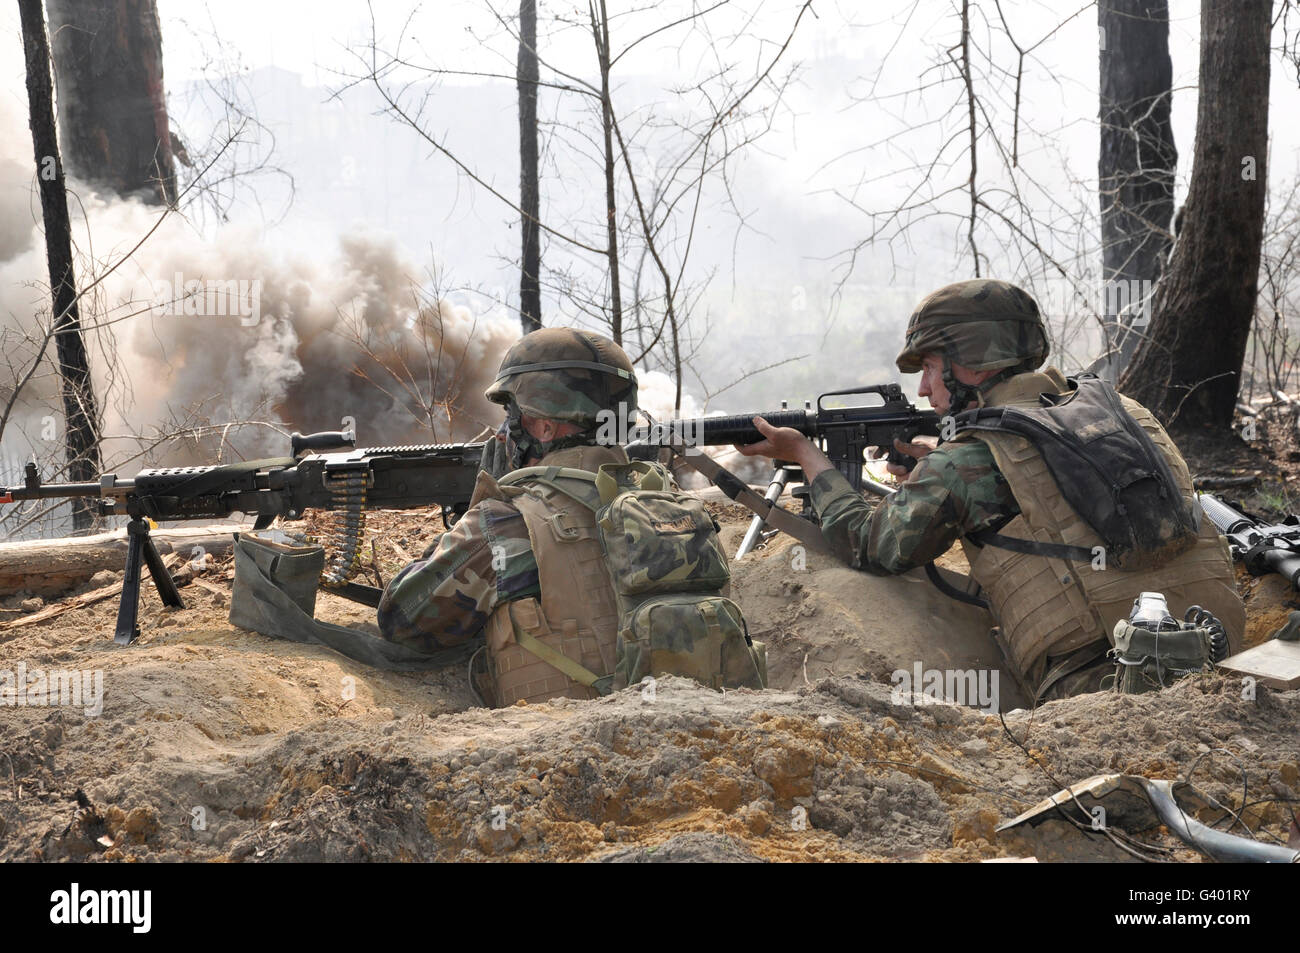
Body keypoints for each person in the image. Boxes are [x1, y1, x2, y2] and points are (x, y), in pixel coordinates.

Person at [737, 279, 1244, 703]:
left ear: (974, 364)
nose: (923, 390)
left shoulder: (964, 461)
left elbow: (869, 545)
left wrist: (807, 456)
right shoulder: (1126, 411)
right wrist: (943, 468)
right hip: (1223, 645)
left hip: (1103, 682)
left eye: (931, 368)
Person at [377, 327, 763, 706]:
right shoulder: (676, 507)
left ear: (544, 426)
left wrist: (481, 507)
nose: (506, 428)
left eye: (514, 413)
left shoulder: (505, 522)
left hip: (566, 753)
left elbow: (403, 620)